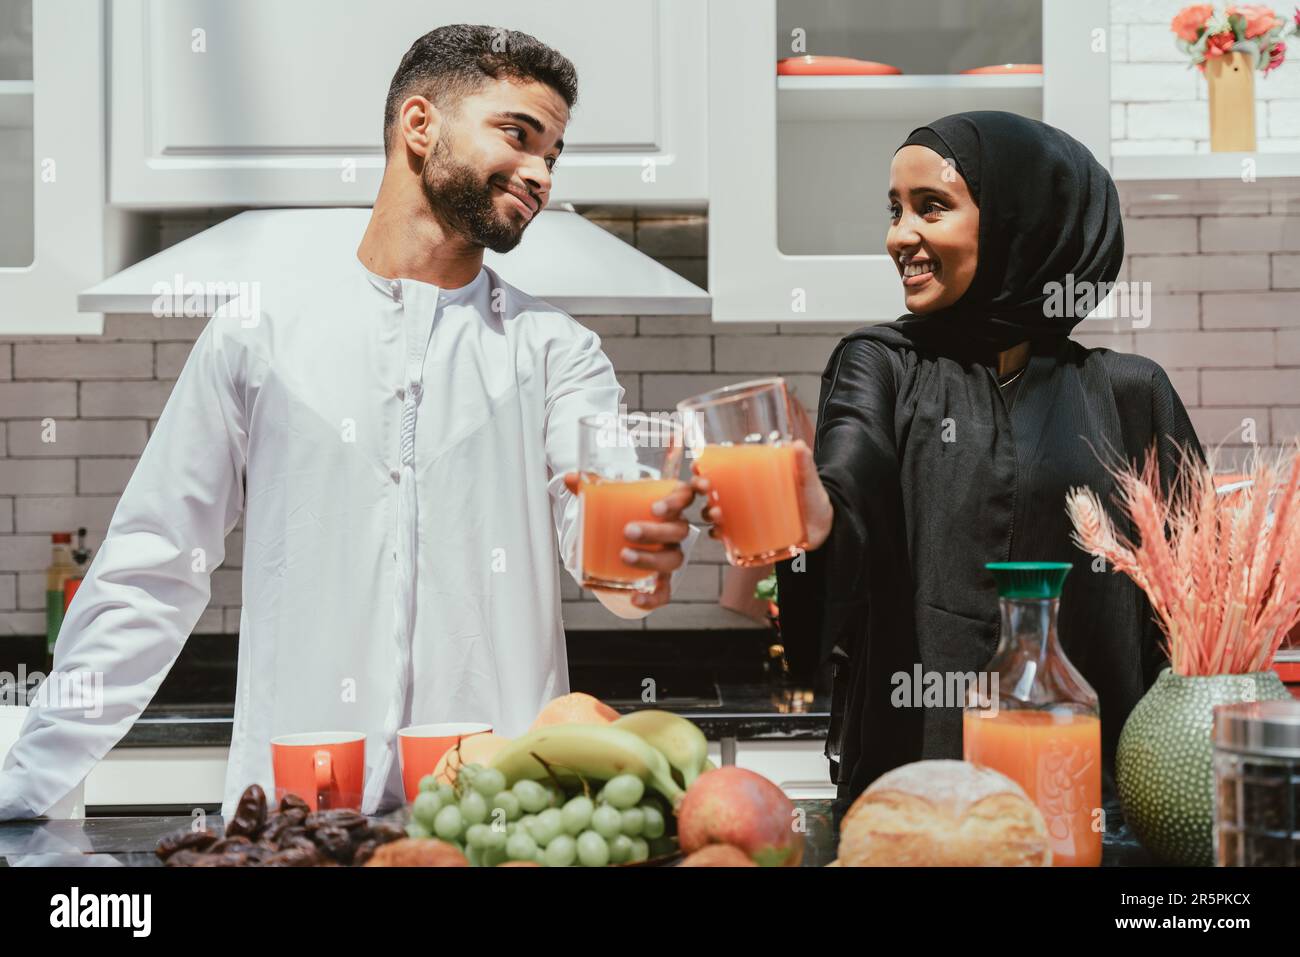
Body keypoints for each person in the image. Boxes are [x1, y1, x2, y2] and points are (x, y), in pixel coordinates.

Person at [0, 24, 700, 821]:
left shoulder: (558, 354)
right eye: (519, 134)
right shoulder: (257, 335)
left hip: (496, 826)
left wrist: (640, 560)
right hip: (295, 824)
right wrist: (21, 787)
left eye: (555, 154)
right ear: (419, 124)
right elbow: (149, 573)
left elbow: (616, 562)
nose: (541, 172)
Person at [697, 111, 1202, 817]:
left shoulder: (1130, 393)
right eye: (895, 210)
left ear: (1022, 222)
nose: (900, 236)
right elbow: (852, 480)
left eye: (931, 207)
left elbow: (1193, 622)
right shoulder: (879, 364)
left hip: (1093, 804)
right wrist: (813, 520)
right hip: (912, 799)